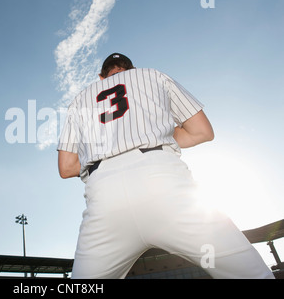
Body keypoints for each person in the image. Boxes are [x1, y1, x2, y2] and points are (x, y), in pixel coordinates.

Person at [57, 53, 274, 279]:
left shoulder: (80, 99)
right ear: (132, 70)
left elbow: (67, 167)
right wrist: (155, 135)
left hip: (104, 194)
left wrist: (106, 149)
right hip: (162, 180)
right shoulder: (152, 76)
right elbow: (202, 132)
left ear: (101, 77)